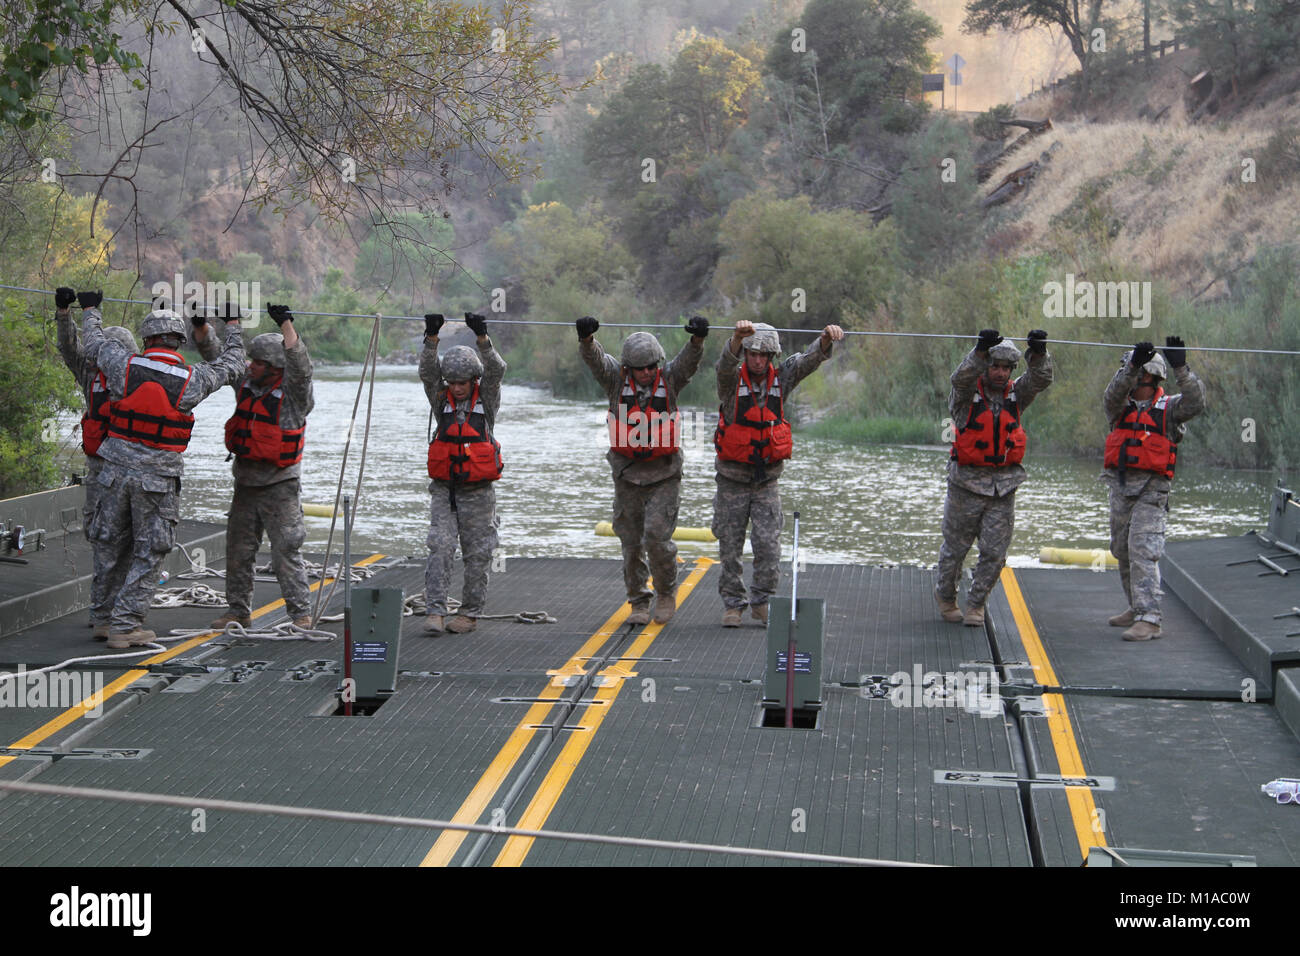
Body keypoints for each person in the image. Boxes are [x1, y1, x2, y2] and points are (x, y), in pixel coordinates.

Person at [78, 290, 245, 649]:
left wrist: (90, 308)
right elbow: (234, 364)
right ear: (179, 342)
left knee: (108, 543)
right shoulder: (193, 379)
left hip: (112, 472)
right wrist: (232, 326)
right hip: (157, 479)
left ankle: (103, 619)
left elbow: (91, 343)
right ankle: (125, 625)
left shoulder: (122, 363)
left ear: (146, 339)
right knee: (151, 549)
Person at [714, 319, 844, 627]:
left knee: (769, 546)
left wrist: (825, 339)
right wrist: (735, 340)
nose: (758, 360)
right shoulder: (731, 382)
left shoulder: (781, 378)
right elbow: (723, 366)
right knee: (730, 546)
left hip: (766, 481)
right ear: (745, 355)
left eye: (764, 355)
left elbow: (808, 361)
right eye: (752, 354)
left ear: (771, 357)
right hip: (732, 479)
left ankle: (762, 602)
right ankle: (733, 605)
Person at [578, 315, 708, 625]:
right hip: (627, 475)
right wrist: (586, 339)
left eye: (651, 366)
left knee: (656, 537)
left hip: (664, 474)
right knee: (631, 541)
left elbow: (688, 363)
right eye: (640, 368)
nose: (647, 373)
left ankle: (665, 591)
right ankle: (638, 600)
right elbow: (596, 360)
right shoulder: (615, 380)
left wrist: (698, 340)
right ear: (628, 368)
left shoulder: (670, 379)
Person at [935, 328, 1053, 627]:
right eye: (994, 366)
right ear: (986, 366)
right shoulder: (963, 396)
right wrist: (979, 351)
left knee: (995, 552)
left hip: (1003, 488)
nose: (1000, 373)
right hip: (965, 485)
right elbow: (959, 378)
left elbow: (1040, 379)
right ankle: (947, 598)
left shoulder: (1017, 395)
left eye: (1005, 368)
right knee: (955, 550)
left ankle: (976, 604)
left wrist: (1038, 353)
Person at [210, 303, 315, 631]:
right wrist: (226, 323)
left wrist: (286, 323)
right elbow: (216, 352)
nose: (250, 365)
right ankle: (238, 610)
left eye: (258, 362)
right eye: (250, 360)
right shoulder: (246, 385)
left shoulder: (295, 395)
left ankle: (300, 615)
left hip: (279, 485)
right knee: (238, 550)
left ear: (274, 367)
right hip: (246, 482)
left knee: (286, 549)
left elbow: (301, 365)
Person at [1102, 336, 1204, 641]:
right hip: (1121, 489)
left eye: (1133, 370)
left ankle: (1151, 618)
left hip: (1152, 490)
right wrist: (1133, 363)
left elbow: (1196, 402)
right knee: (1121, 550)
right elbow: (1112, 394)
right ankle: (1136, 608)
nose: (1126, 375)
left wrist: (1181, 367)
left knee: (1142, 550)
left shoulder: (1170, 409)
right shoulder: (1118, 407)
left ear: (1148, 376)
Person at [420, 311, 506, 635]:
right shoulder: (439, 398)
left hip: (478, 492)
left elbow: (497, 370)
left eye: (461, 382)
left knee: (478, 552)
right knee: (440, 544)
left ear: (473, 381)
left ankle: (469, 613)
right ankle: (435, 610)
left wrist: (482, 338)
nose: (456, 388)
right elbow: (427, 373)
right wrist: (431, 338)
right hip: (445, 490)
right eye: (451, 382)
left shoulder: (487, 399)